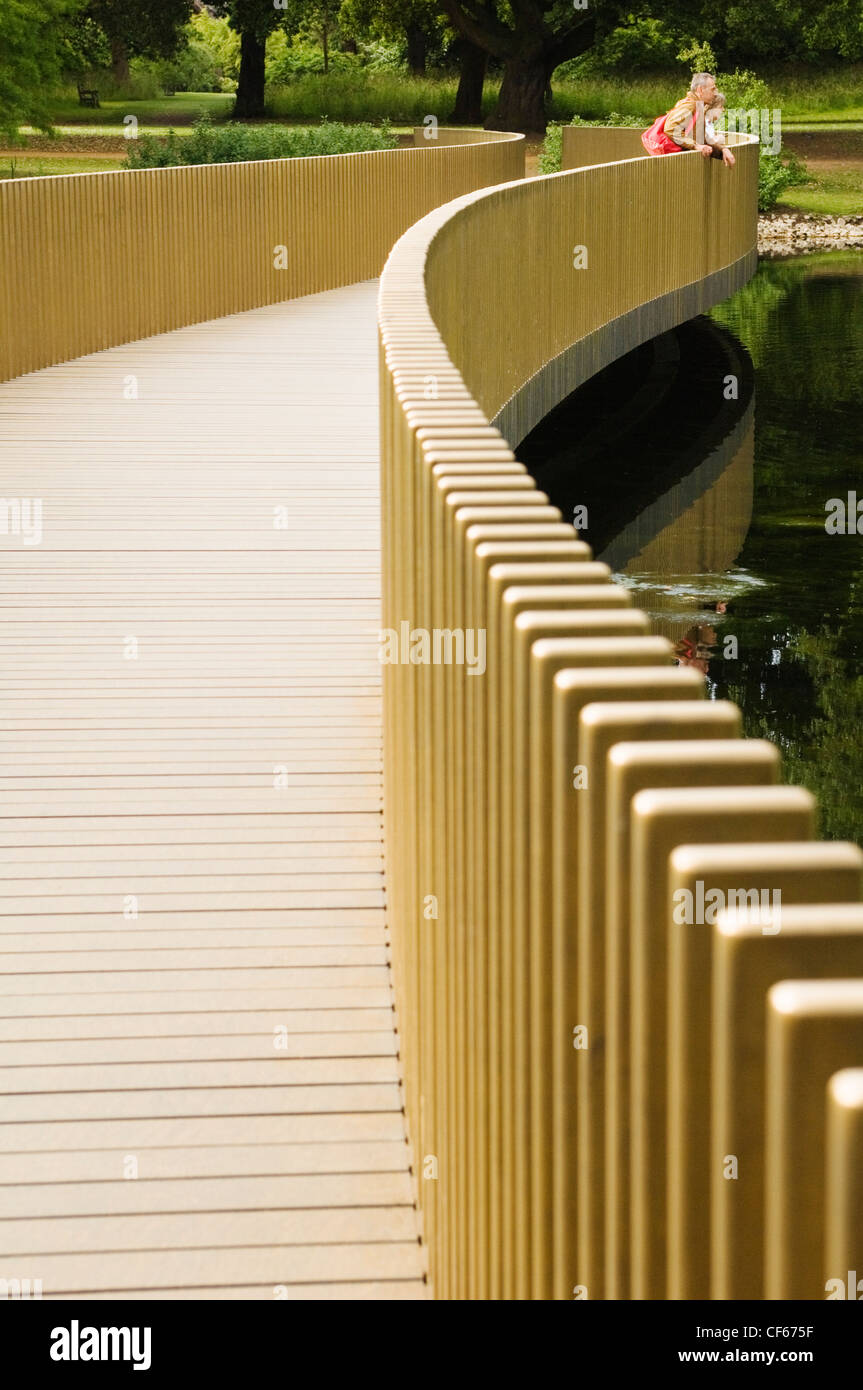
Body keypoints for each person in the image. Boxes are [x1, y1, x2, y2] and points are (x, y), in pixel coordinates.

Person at [641, 72, 736, 166]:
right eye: (713, 89)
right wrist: (696, 146)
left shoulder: (698, 106)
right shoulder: (690, 105)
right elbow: (671, 129)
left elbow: (703, 140)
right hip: (672, 163)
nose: (715, 94)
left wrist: (723, 150)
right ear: (701, 90)